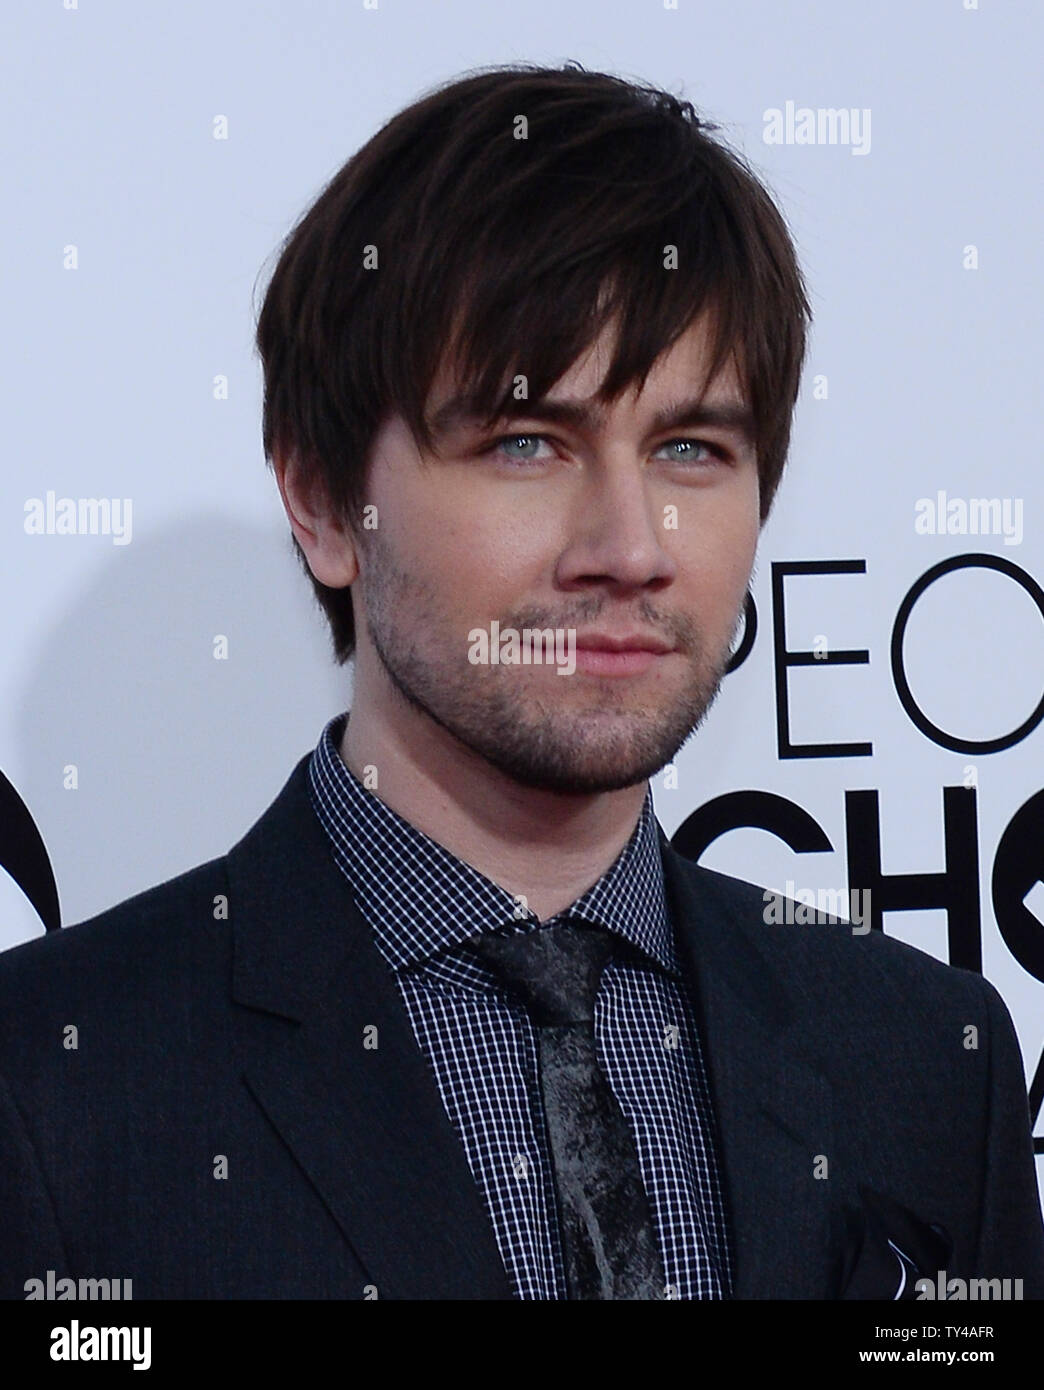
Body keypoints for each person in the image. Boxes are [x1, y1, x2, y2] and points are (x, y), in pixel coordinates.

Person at [1, 62, 1041, 1302]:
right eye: (527, 442)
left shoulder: (927, 1060)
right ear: (326, 502)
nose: (633, 546)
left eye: (692, 448)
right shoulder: (52, 1085)